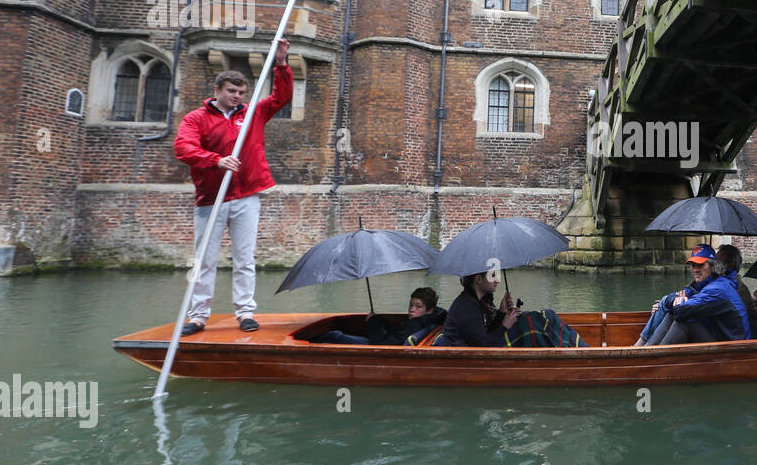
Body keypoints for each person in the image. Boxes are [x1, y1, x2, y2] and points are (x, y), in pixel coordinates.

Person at [174, 40, 292, 334]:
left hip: (246, 196)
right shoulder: (196, 118)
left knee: (244, 258)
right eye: (232, 92)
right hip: (211, 199)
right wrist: (215, 160)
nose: (237, 97)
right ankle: (198, 316)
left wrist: (280, 63)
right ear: (218, 90)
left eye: (241, 93)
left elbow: (281, 98)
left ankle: (245, 313)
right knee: (204, 261)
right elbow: (183, 148)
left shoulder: (252, 113)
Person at [436, 272, 587, 347]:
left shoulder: (481, 300)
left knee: (547, 314)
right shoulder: (466, 306)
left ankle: (578, 348)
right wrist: (505, 325)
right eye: (493, 275)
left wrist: (502, 313)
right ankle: (571, 350)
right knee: (530, 322)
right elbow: (483, 345)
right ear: (478, 279)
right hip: (474, 354)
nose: (497, 279)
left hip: (486, 344)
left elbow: (486, 330)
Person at [641, 244, 750, 345]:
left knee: (683, 320)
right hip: (717, 335)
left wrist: (669, 302)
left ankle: (649, 357)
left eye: (700, 265)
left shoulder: (717, 288)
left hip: (734, 346)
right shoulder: (704, 283)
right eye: (693, 265)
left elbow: (680, 311)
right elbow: (678, 296)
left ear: (713, 266)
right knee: (672, 312)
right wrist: (672, 300)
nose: (695, 269)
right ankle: (644, 349)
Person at [312, 287, 447, 345]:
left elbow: (383, 344)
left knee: (335, 336)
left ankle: (311, 346)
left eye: (418, 306)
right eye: (411, 305)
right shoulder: (433, 317)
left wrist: (374, 321)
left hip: (380, 348)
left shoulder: (415, 324)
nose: (411, 309)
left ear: (429, 310)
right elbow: (397, 333)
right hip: (391, 342)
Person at [716, 243, 755, 316]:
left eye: (718, 261)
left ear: (729, 265)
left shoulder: (739, 290)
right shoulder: (716, 283)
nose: (713, 264)